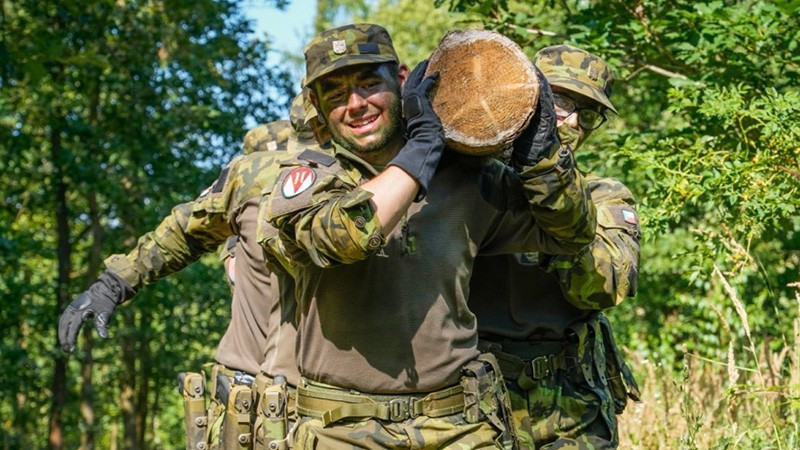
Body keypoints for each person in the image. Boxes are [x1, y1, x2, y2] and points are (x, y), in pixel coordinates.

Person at [260, 23, 597, 448]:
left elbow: (571, 234)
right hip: (342, 429)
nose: (356, 104)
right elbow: (345, 236)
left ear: (402, 81)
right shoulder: (306, 181)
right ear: (316, 105)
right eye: (335, 94)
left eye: (369, 84)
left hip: (458, 423)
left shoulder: (467, 178)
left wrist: (542, 159)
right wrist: (420, 149)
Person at [57, 95, 325, 450]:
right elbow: (188, 228)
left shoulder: (390, 174)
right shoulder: (255, 175)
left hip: (332, 410)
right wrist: (113, 283)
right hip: (248, 402)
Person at [468, 44, 641, 449]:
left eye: (590, 114)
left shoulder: (603, 194)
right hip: (475, 399)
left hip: (570, 404)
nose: (574, 122)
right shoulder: (474, 183)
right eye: (561, 101)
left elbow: (606, 284)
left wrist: (557, 207)